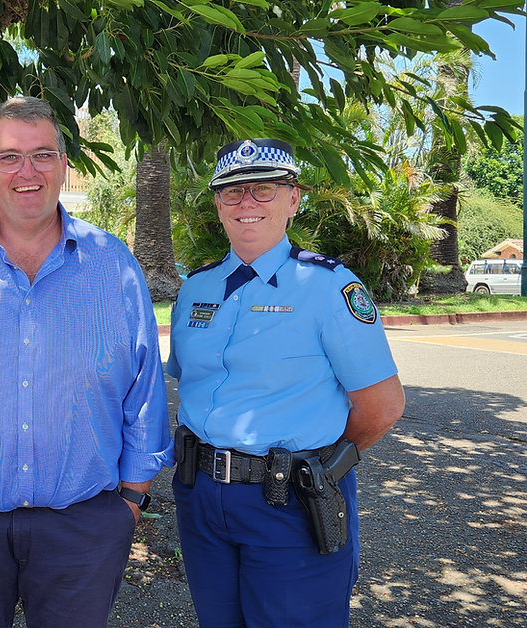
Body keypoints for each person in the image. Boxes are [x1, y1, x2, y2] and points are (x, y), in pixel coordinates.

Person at [0, 96, 171, 627]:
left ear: (64, 165)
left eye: (43, 155)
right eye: (10, 157)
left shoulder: (113, 265)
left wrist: (130, 499)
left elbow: (144, 388)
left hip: (83, 525)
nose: (28, 170)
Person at [167, 138, 406, 626]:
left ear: (293, 199)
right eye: (232, 192)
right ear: (217, 205)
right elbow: (186, 382)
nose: (247, 202)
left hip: (290, 500)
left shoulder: (329, 288)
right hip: (201, 496)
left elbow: (382, 406)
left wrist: (319, 466)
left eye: (264, 189)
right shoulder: (196, 288)